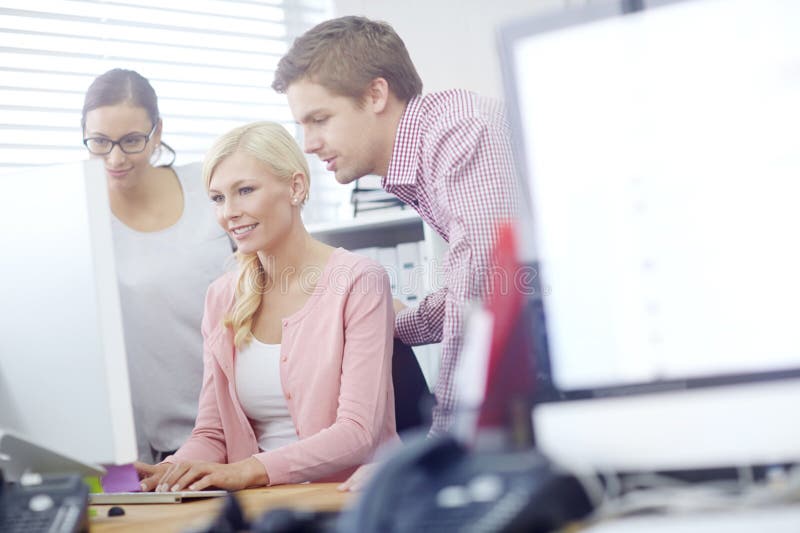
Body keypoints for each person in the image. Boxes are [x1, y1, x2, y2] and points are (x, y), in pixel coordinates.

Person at [272, 16, 520, 444]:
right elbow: (479, 286)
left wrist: (441, 446)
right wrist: (393, 322)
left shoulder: (458, 135)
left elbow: (482, 293)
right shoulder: (433, 143)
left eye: (320, 119)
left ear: (375, 94)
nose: (309, 144)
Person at [135, 121, 398, 491]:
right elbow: (212, 433)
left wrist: (246, 471)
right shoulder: (222, 296)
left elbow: (357, 433)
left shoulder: (358, 280)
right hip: (261, 506)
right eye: (217, 198)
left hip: (346, 501)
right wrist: (172, 469)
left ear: (295, 187)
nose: (229, 212)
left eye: (245, 191)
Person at [81, 69, 233, 463]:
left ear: (157, 131)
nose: (115, 158)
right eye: (99, 142)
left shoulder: (210, 186)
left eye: (132, 140)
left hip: (247, 421)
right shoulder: (81, 221)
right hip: (166, 447)